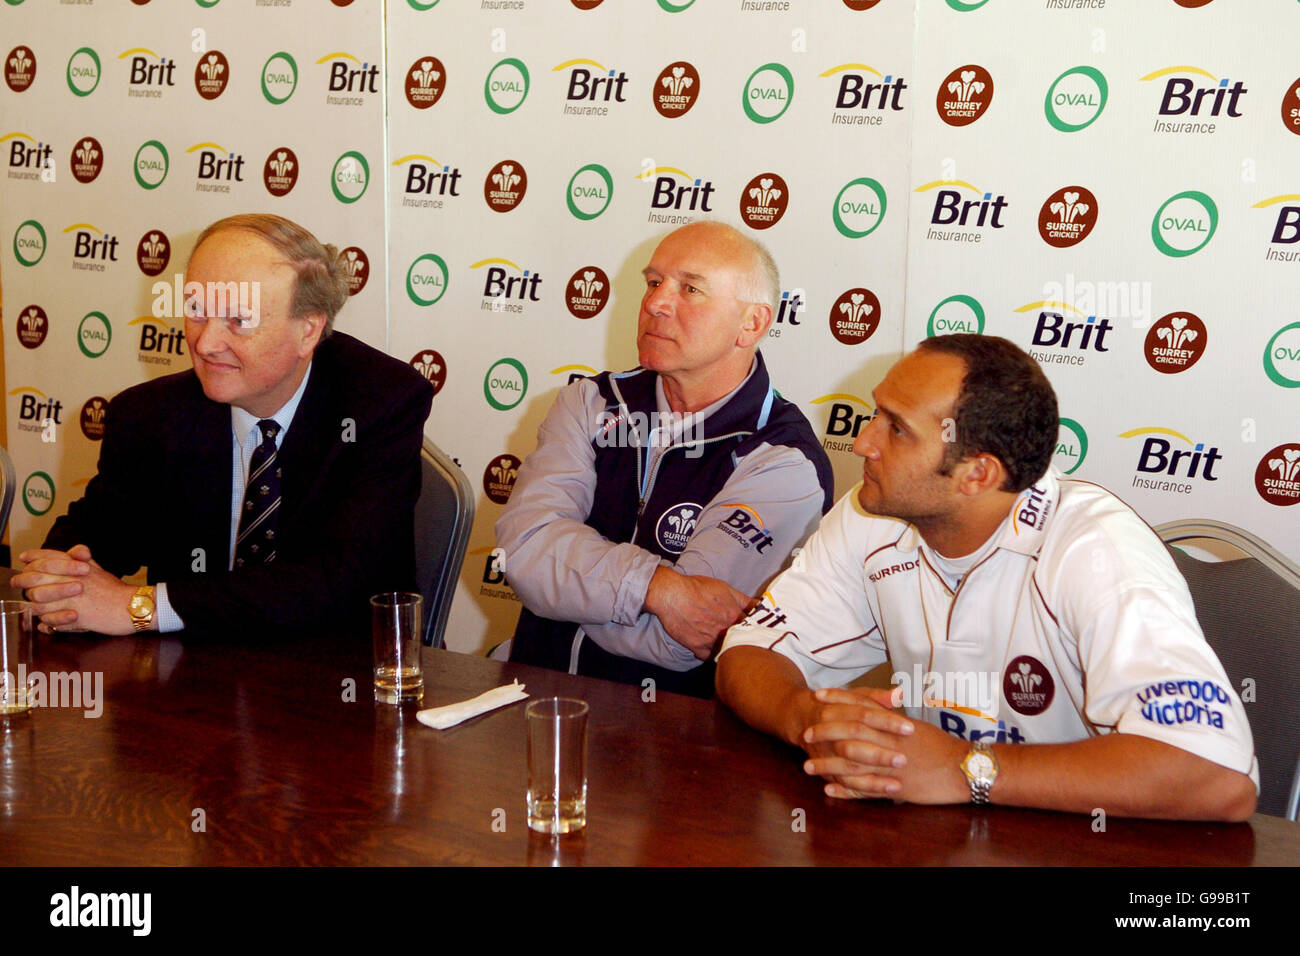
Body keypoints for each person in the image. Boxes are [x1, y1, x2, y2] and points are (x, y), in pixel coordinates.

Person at [716, 334, 1258, 820]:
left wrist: (964, 770)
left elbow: (1217, 778)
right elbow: (747, 652)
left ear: (977, 473)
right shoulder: (871, 513)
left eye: (896, 429)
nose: (863, 443)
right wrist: (806, 715)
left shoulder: (1096, 548)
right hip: (941, 834)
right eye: (875, 413)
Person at [15, 214, 433, 638]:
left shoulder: (380, 402)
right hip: (189, 681)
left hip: (336, 678)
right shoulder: (150, 415)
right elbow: (93, 539)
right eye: (197, 310)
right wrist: (59, 583)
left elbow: (341, 584)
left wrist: (140, 606)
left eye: (238, 320)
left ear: (308, 329)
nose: (205, 342)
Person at [496, 221, 833, 697]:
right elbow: (522, 551)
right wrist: (659, 589)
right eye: (654, 282)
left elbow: (684, 638)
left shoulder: (784, 461)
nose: (655, 303)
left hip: (671, 742)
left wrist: (559, 586)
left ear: (752, 324)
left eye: (690, 289)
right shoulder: (590, 402)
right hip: (536, 707)